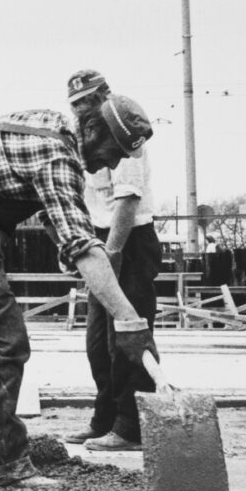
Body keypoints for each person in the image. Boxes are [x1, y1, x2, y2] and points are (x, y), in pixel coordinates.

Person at [0, 94, 157, 487]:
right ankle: (3, 465)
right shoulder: (57, 156)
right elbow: (83, 244)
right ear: (93, 129)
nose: (113, 164)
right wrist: (130, 321)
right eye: (113, 152)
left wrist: (64, 245)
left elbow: (50, 211)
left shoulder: (54, 127)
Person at [63, 69, 162, 452]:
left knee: (128, 334)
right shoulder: (84, 138)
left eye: (86, 101)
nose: (80, 110)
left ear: (104, 94)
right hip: (99, 241)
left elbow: (126, 202)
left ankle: (131, 426)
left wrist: (114, 255)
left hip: (129, 241)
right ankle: (104, 418)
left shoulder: (123, 131)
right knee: (98, 342)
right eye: (75, 104)